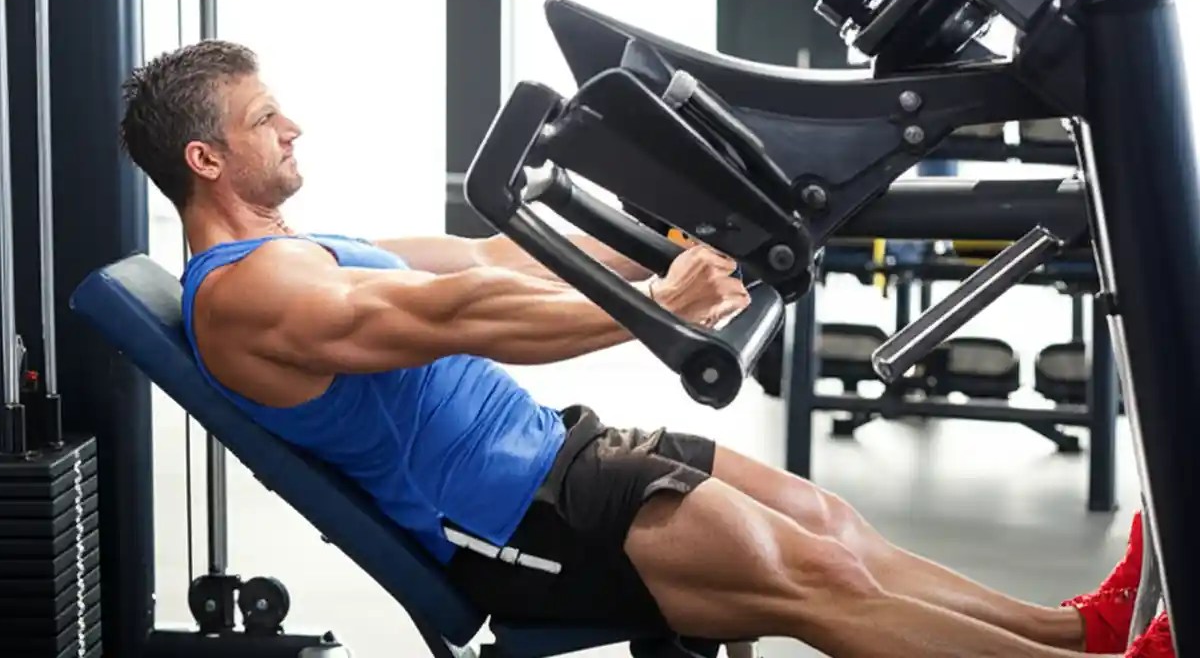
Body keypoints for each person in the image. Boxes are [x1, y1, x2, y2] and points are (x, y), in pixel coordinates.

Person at [118, 39, 1173, 657]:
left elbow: (495, 256)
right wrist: (658, 307)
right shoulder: (247, 296)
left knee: (827, 521)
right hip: (510, 523)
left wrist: (665, 233)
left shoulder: (303, 251)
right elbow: (454, 316)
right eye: (266, 118)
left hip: (561, 454)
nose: (293, 126)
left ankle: (1078, 630)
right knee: (813, 581)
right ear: (206, 159)